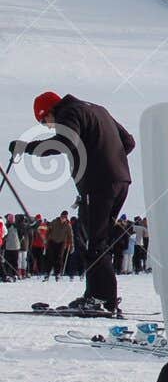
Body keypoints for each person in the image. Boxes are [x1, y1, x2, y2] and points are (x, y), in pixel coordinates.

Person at [10, 92, 135, 313]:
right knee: (97, 239)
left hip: (98, 183)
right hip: (121, 181)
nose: (48, 126)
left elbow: (64, 143)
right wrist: (107, 157)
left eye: (43, 121)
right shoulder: (97, 108)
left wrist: (26, 147)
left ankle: (102, 299)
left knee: (91, 242)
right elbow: (128, 142)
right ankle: (96, 295)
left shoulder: (69, 112)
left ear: (49, 111)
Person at [45, 211, 71, 280]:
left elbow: (70, 235)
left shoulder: (67, 225)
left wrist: (71, 245)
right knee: (51, 257)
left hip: (61, 243)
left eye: (64, 217)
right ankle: (47, 273)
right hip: (52, 241)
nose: (63, 219)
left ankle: (58, 273)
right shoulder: (54, 222)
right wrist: (46, 238)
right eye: (62, 217)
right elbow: (49, 230)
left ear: (66, 218)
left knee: (59, 258)